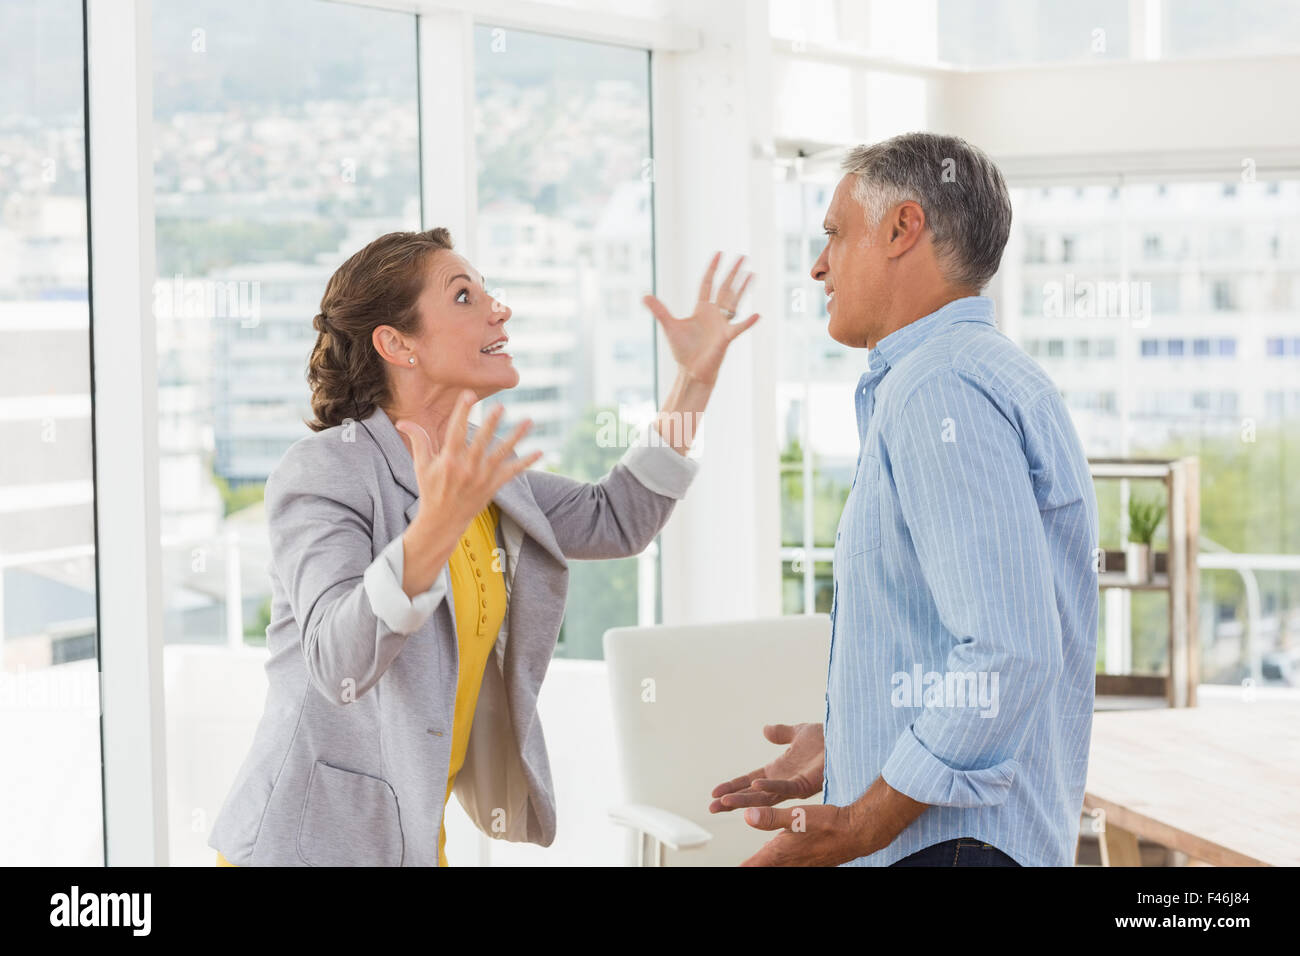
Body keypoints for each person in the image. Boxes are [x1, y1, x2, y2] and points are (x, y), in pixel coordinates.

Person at [209, 227, 758, 866]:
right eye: (465, 296)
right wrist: (433, 531)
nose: (500, 308)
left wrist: (694, 381)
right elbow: (338, 664)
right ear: (396, 343)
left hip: (414, 842)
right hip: (308, 848)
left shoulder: (477, 468)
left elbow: (617, 519)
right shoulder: (329, 470)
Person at [710, 132, 1099, 867]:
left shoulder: (939, 388)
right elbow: (974, 635)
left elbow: (1008, 652)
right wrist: (856, 735)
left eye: (833, 234)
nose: (819, 264)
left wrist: (862, 822)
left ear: (901, 229)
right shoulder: (988, 375)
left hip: (948, 850)